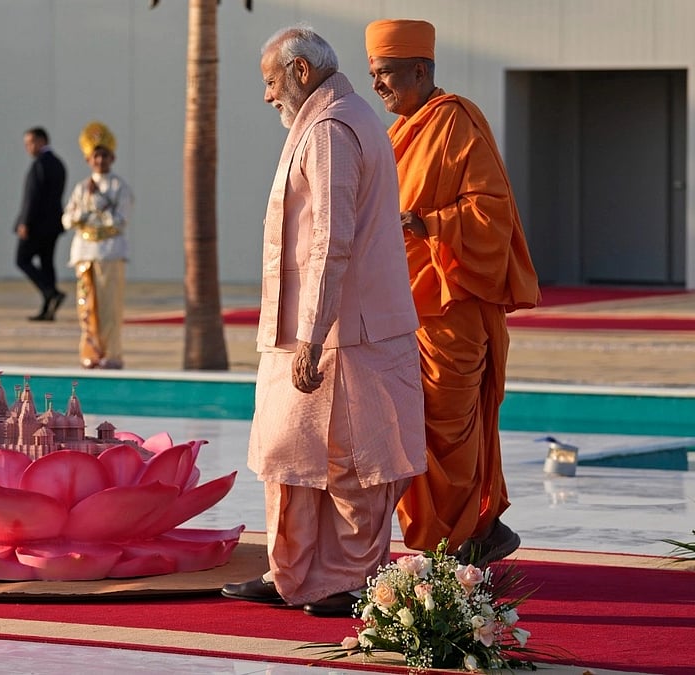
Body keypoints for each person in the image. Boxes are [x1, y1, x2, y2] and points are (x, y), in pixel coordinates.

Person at [220, 26, 426, 618]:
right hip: (319, 331)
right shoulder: (335, 118)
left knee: (351, 464)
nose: (266, 97)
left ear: (302, 73)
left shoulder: (332, 129)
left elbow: (331, 242)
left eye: (270, 82)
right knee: (291, 456)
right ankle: (291, 574)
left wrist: (313, 334)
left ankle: (349, 581)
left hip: (338, 334)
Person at [365, 19, 541, 567]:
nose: (378, 86)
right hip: (403, 310)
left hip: (452, 306)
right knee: (409, 430)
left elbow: (494, 215)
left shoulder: (457, 122)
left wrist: (429, 224)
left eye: (386, 73)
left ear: (421, 69)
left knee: (449, 429)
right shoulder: (395, 134)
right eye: (372, 74)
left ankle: (463, 540)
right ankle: (440, 544)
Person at [61, 121, 134, 369]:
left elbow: (121, 221)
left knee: (110, 308)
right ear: (88, 159)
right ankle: (90, 352)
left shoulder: (118, 187)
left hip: (109, 252)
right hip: (84, 252)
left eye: (104, 155)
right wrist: (84, 209)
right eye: (95, 156)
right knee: (86, 306)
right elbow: (67, 218)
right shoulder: (81, 188)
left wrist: (99, 202)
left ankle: (112, 354)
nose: (100, 160)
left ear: (112, 158)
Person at [15, 127, 67, 321]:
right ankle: (49, 308)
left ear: (42, 141)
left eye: (30, 143)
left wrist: (24, 222)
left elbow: (32, 197)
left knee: (22, 259)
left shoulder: (41, 164)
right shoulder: (58, 163)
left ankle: (50, 292)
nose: (28, 148)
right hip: (52, 224)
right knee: (46, 263)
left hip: (36, 224)